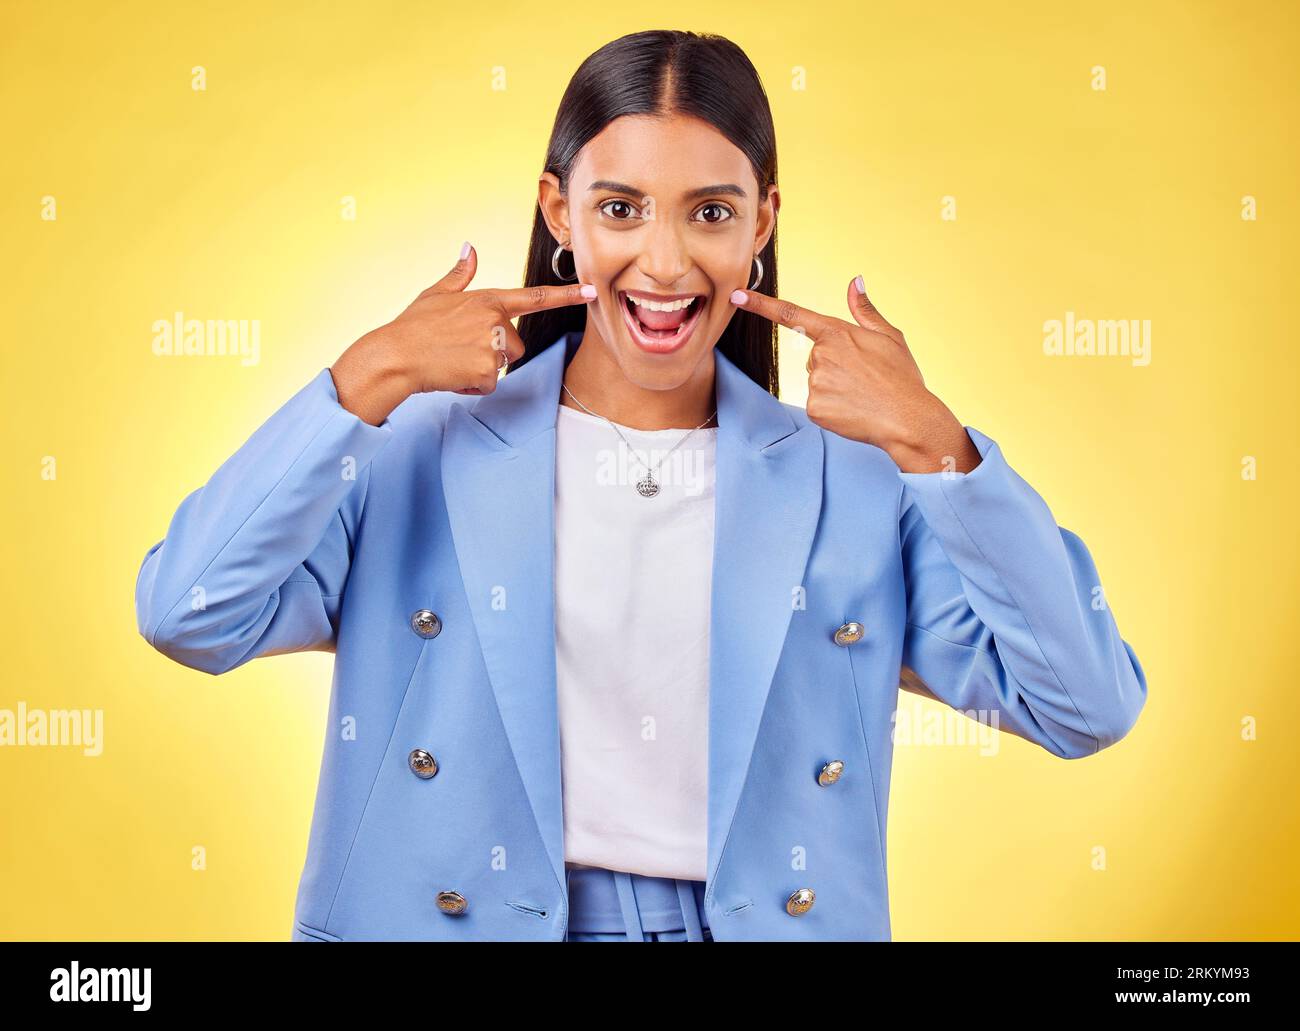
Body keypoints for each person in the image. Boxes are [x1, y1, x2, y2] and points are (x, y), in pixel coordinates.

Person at [135, 29, 1147, 942]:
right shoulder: (415, 446)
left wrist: (940, 446)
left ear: (761, 223)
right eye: (620, 208)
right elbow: (190, 610)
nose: (663, 263)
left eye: (710, 211)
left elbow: (1081, 704)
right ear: (558, 212)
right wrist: (359, 382)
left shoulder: (858, 485)